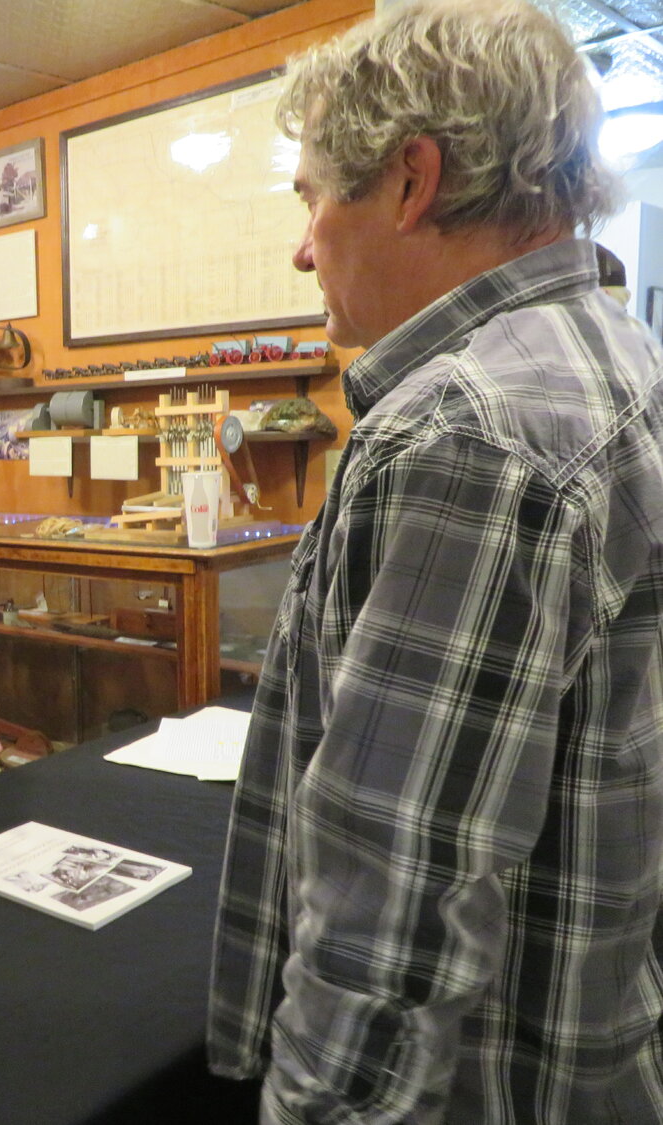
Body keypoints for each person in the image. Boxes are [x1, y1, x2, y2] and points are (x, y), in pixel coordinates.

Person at [208, 2, 663, 1121]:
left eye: (315, 194)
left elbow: (392, 912)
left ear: (412, 180)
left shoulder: (471, 431)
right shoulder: (620, 356)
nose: (304, 244)